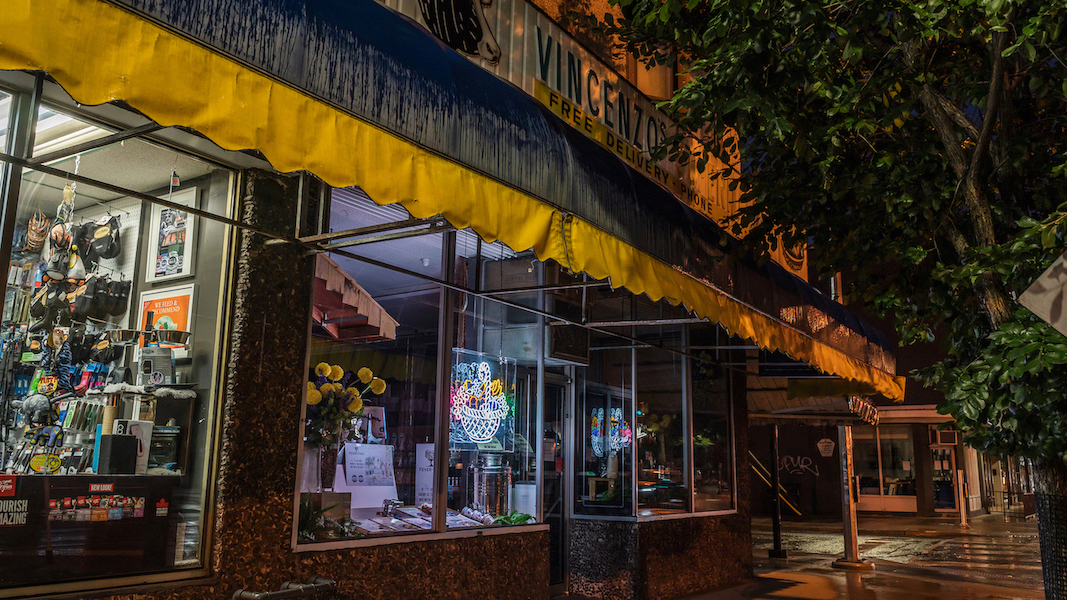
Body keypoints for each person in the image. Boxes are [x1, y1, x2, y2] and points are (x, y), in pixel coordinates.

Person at [41, 327, 74, 394]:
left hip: (58, 384)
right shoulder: (49, 352)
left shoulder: (64, 352)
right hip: (51, 383)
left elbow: (64, 367)